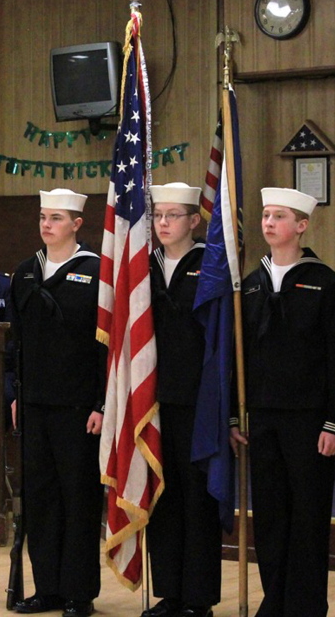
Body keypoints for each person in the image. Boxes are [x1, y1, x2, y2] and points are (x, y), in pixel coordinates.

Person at [230, 188, 335, 617]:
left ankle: (305, 605)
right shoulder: (249, 285)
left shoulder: (328, 284)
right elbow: (235, 357)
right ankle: (274, 600)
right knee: (270, 516)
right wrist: (233, 414)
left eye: (278, 216)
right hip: (261, 418)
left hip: (309, 420)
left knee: (309, 516)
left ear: (301, 225)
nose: (268, 223)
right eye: (265, 215)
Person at [9, 188, 106, 617]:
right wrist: (16, 393)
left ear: (77, 225)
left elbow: (106, 348)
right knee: (40, 498)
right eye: (44, 217)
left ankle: (78, 592)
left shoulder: (97, 273)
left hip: (78, 407)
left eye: (57, 218)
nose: (47, 225)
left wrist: (102, 403)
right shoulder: (25, 273)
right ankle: (46, 586)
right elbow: (17, 343)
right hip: (34, 404)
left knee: (77, 498)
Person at [142, 183, 221, 617]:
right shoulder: (142, 268)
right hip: (152, 400)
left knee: (197, 498)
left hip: (198, 400)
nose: (164, 223)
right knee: (162, 497)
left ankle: (198, 597)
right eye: (158, 216)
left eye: (174, 215)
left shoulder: (209, 265)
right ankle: (169, 591)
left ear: (194, 220)